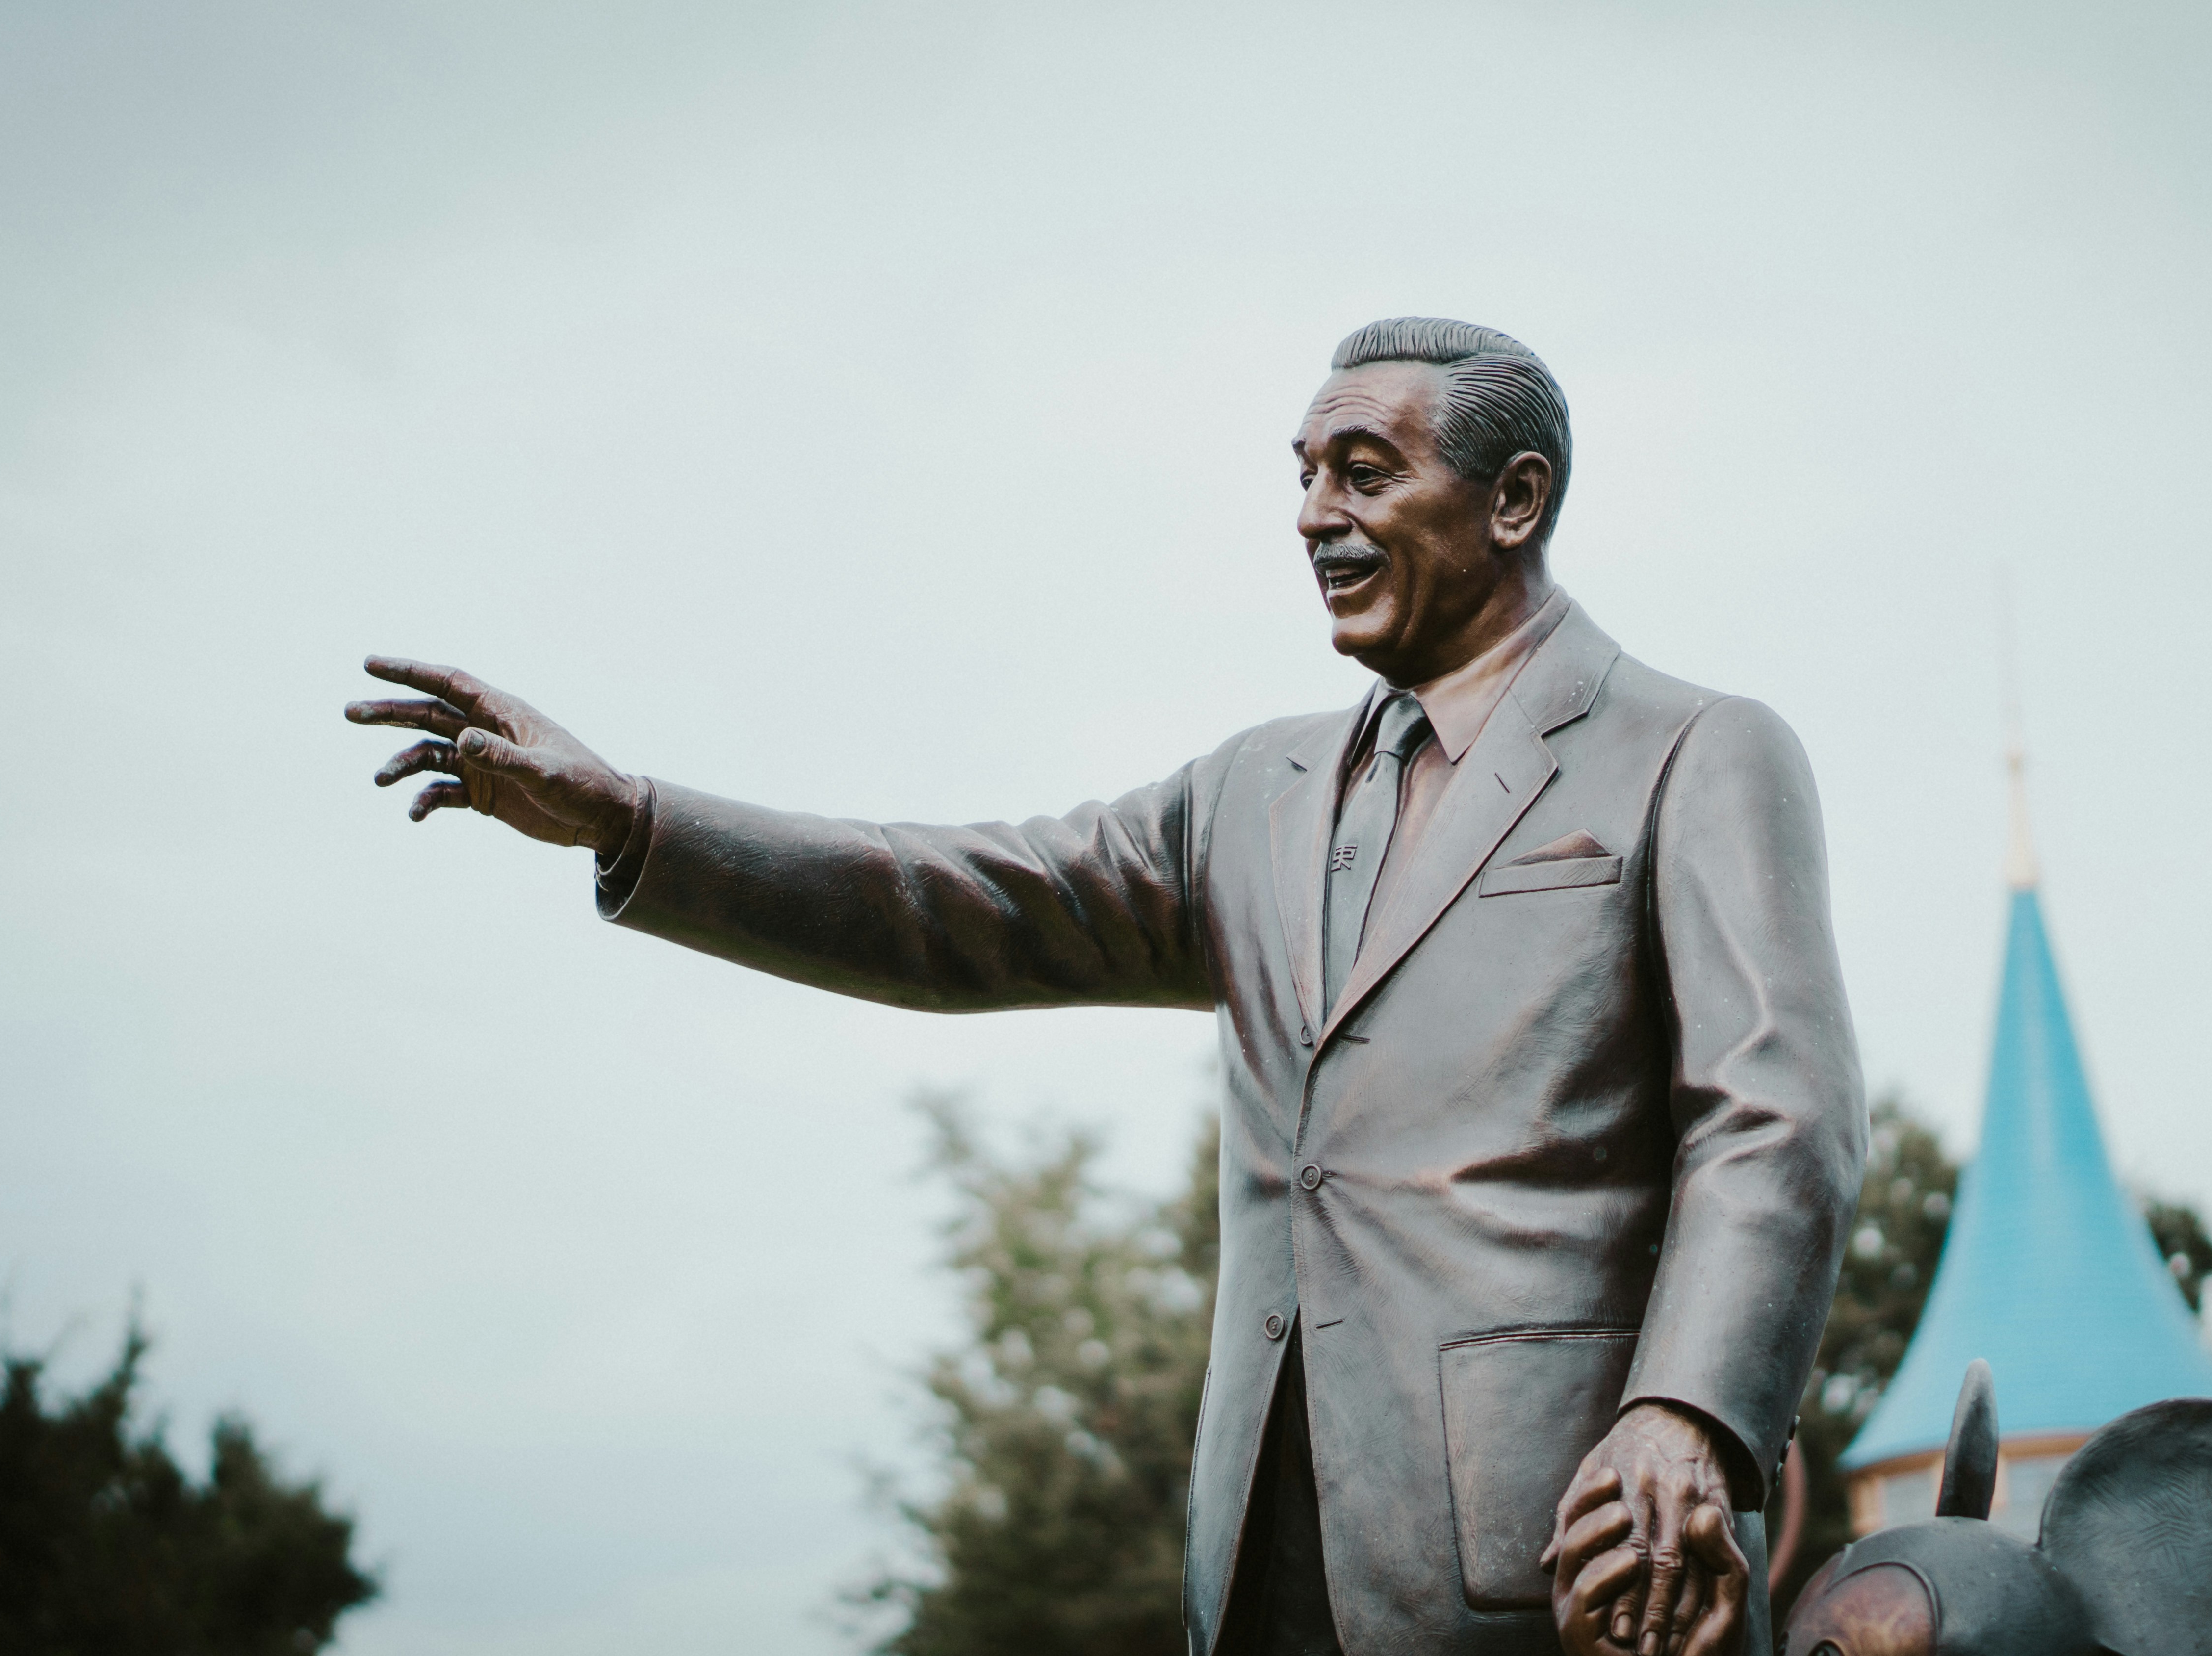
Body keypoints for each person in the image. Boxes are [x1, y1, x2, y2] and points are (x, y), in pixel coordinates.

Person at [347, 317, 1863, 1656]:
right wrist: (635, 821)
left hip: (1573, 1555)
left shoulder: (1692, 751)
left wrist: (1692, 1414)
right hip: (1262, 1558)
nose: (1314, 515)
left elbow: (1775, 1118)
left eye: (1363, 472)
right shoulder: (1252, 793)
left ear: (1517, 498)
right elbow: (956, 906)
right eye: (1303, 473)